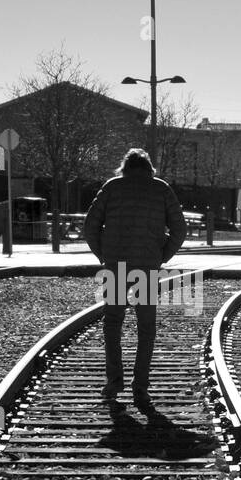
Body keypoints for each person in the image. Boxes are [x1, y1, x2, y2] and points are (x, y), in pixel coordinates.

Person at [83, 148, 187, 406]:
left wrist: (103, 254)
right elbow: (180, 228)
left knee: (113, 324)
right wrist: (162, 256)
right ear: (149, 167)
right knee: (146, 328)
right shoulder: (161, 189)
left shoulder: (112, 187)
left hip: (116, 265)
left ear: (124, 167)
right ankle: (140, 387)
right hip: (146, 266)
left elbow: (90, 225)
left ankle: (114, 382)